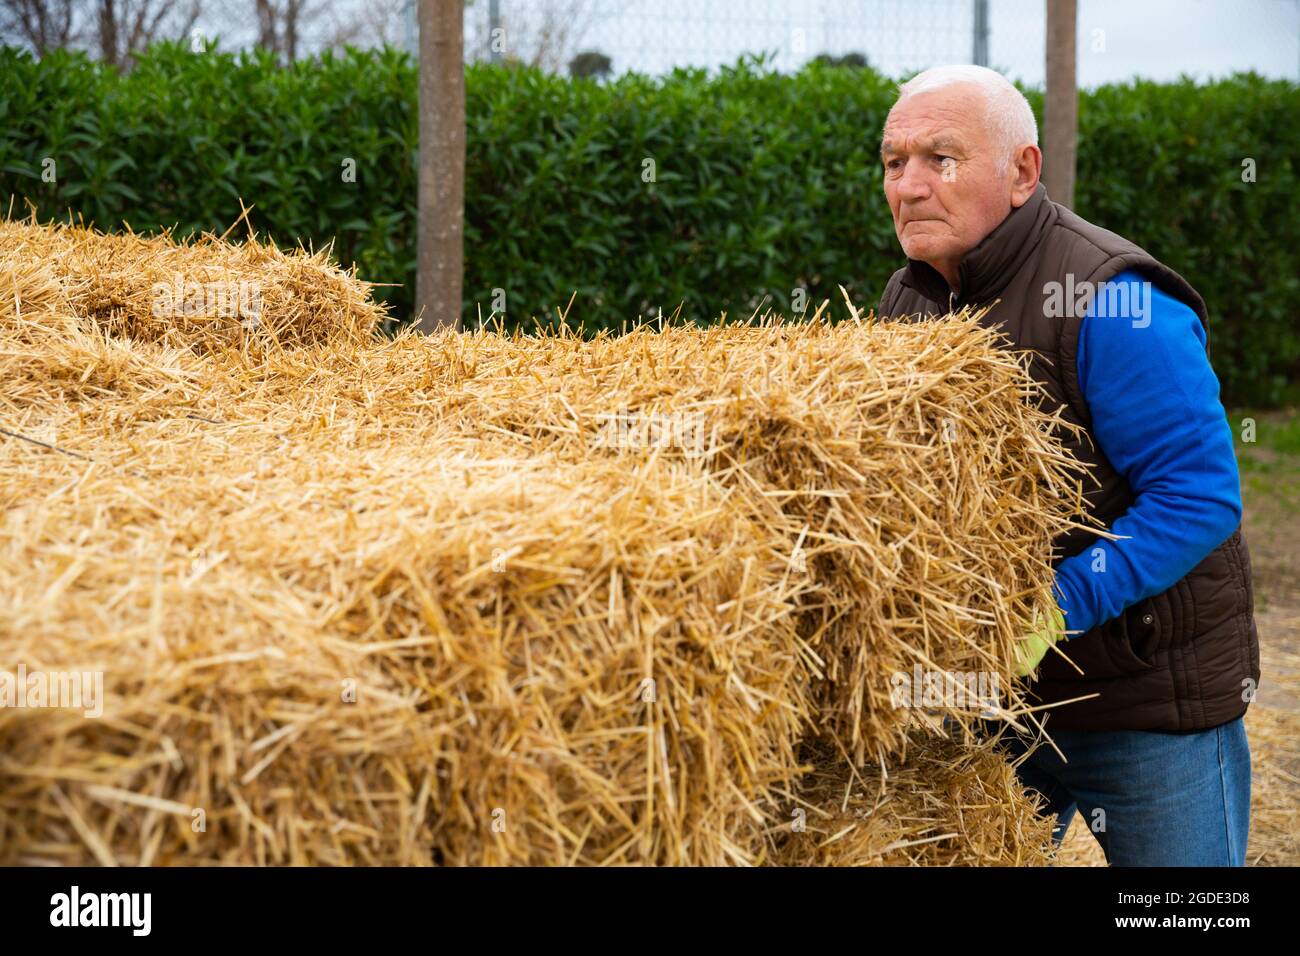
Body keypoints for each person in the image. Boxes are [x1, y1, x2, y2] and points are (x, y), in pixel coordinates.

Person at [876, 64, 1259, 866]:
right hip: (993, 705)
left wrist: (1054, 606)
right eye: (893, 161)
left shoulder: (1112, 301)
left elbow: (1199, 497)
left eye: (939, 158)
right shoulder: (907, 303)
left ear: (1023, 172)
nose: (909, 185)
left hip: (1145, 701)